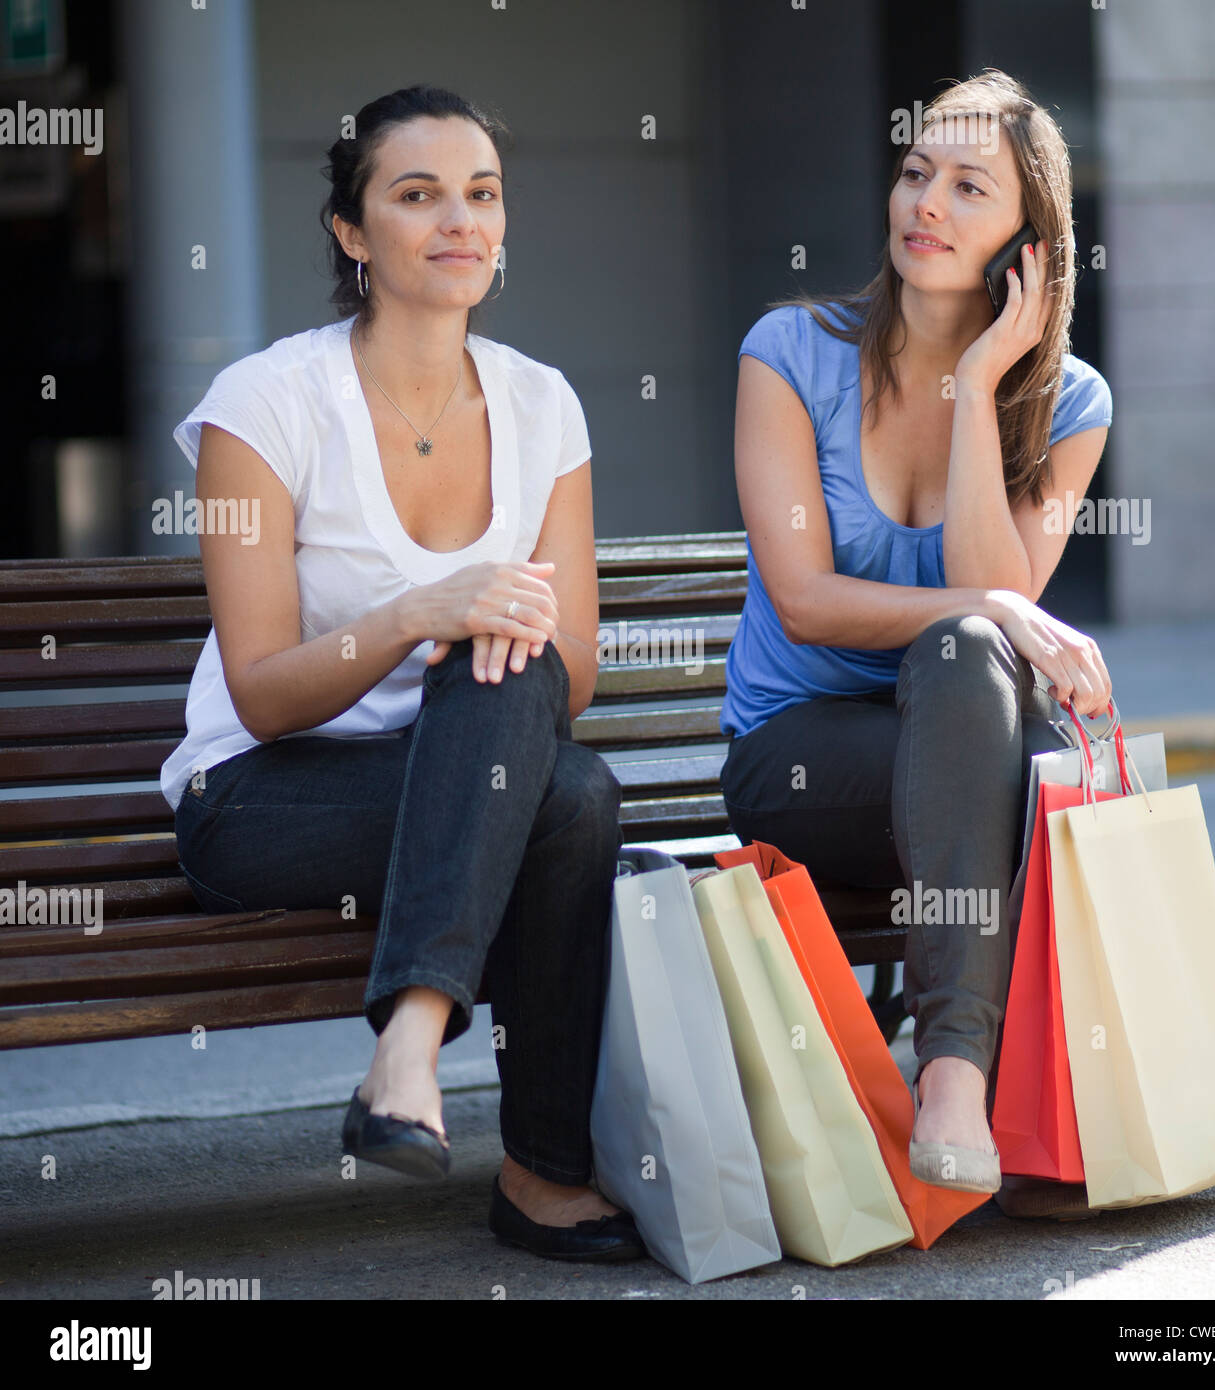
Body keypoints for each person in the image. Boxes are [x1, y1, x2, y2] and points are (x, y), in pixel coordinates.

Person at [161, 85, 645, 1262]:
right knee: (559, 795)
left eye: (480, 194)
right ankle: (529, 1158)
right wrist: (413, 614)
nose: (459, 222)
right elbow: (264, 690)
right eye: (417, 195)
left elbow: (568, 670)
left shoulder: (543, 404)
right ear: (351, 231)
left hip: (464, 773)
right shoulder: (264, 405)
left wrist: (480, 627)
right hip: (265, 792)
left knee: (556, 754)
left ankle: (411, 1058)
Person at [718, 71, 1113, 1218]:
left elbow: (982, 598)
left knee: (959, 657)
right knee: (970, 645)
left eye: (965, 185)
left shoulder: (1068, 404)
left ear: (1027, 248)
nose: (923, 202)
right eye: (911, 172)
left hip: (961, 755)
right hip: (800, 756)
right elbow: (803, 601)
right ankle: (968, 1084)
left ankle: (947, 1079)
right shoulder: (788, 350)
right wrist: (993, 613)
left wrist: (981, 383)